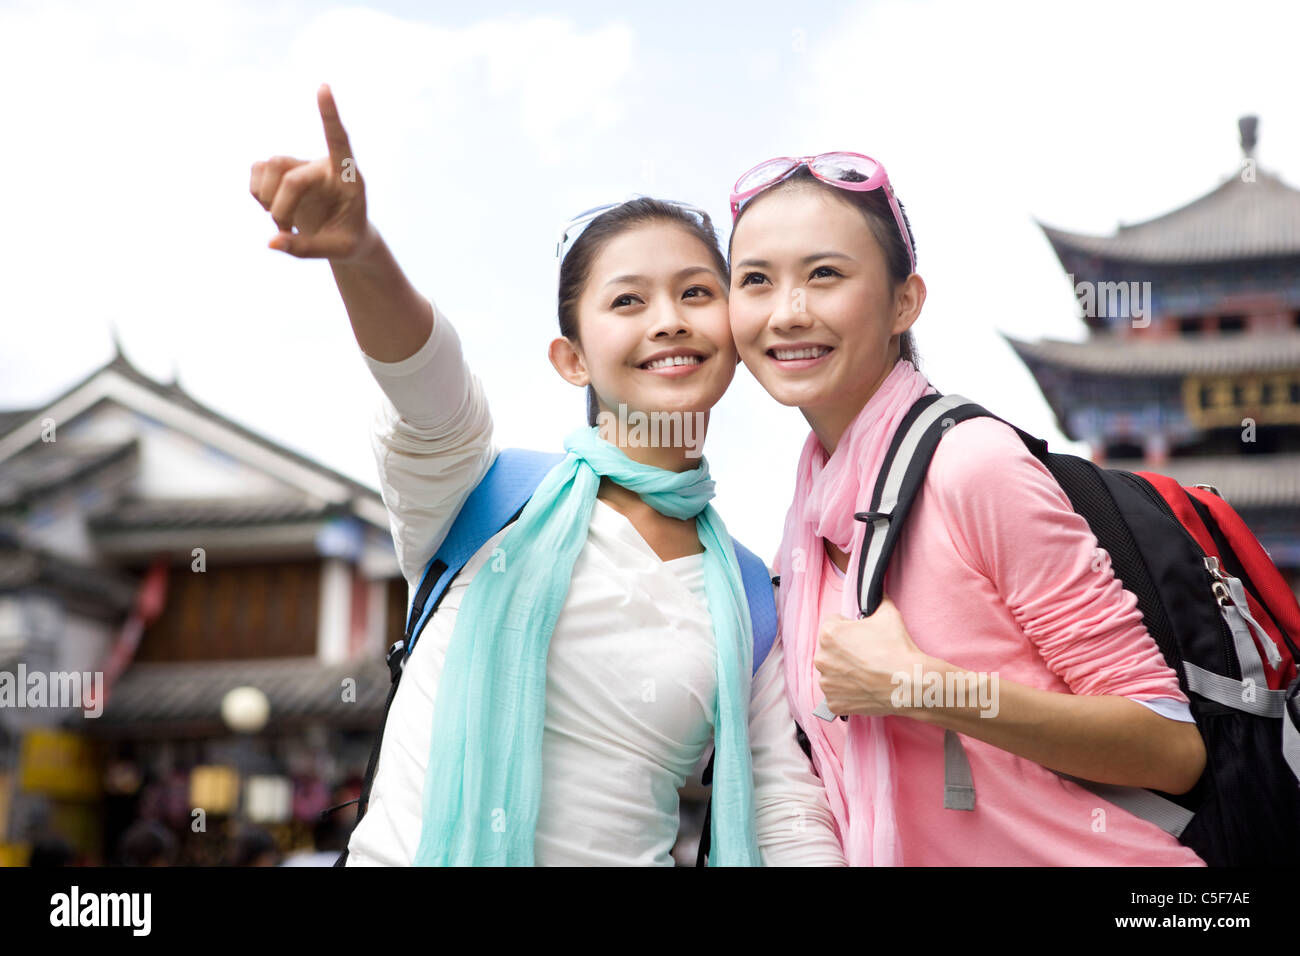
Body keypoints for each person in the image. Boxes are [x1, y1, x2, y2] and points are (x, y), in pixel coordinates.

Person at [248, 86, 844, 866]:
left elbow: (785, 813)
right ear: (571, 357)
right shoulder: (482, 497)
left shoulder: (749, 596)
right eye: (627, 300)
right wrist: (361, 254)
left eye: (696, 293)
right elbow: (430, 389)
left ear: (731, 333)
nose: (668, 318)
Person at [725, 153, 1207, 866]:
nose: (789, 311)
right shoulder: (807, 518)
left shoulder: (970, 466)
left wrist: (925, 688)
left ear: (904, 302)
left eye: (825, 274)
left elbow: (1169, 744)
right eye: (756, 280)